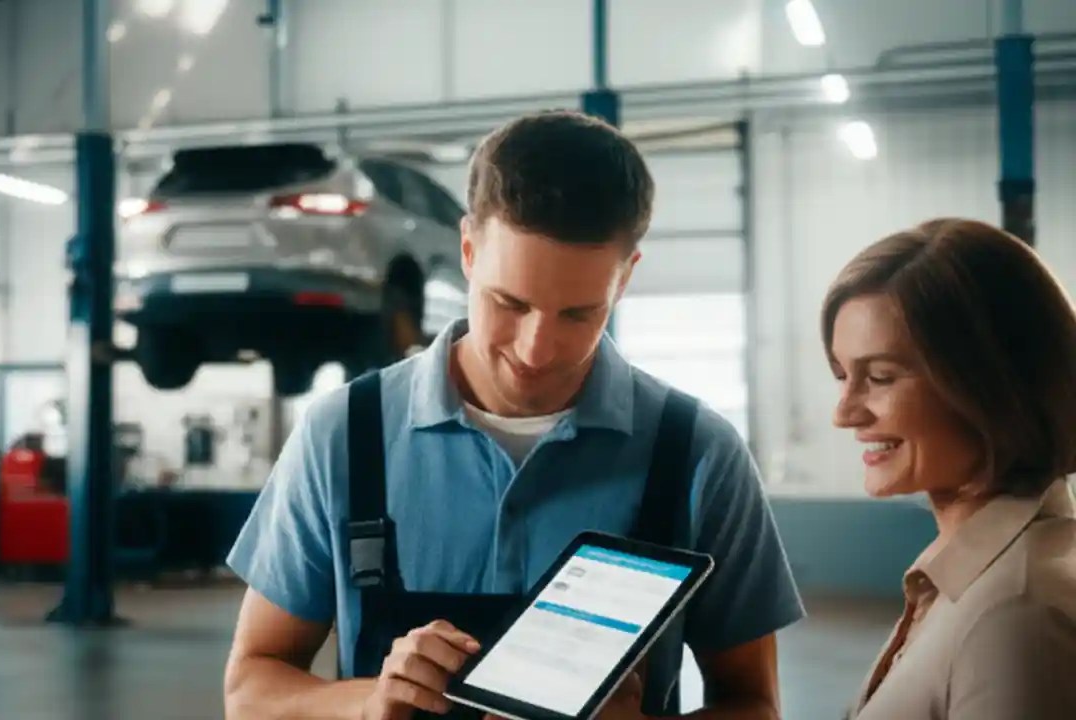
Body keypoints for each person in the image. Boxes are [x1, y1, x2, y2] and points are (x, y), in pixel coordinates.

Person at [224, 110, 805, 720]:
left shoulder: (697, 454)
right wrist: (367, 704)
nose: (536, 349)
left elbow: (755, 705)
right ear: (469, 250)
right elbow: (251, 689)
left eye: (579, 314)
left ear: (626, 278)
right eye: (510, 303)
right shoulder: (343, 435)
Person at [822, 219, 1076, 719]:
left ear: (990, 384)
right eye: (841, 375)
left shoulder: (1016, 613)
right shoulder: (971, 577)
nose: (844, 412)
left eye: (879, 377)